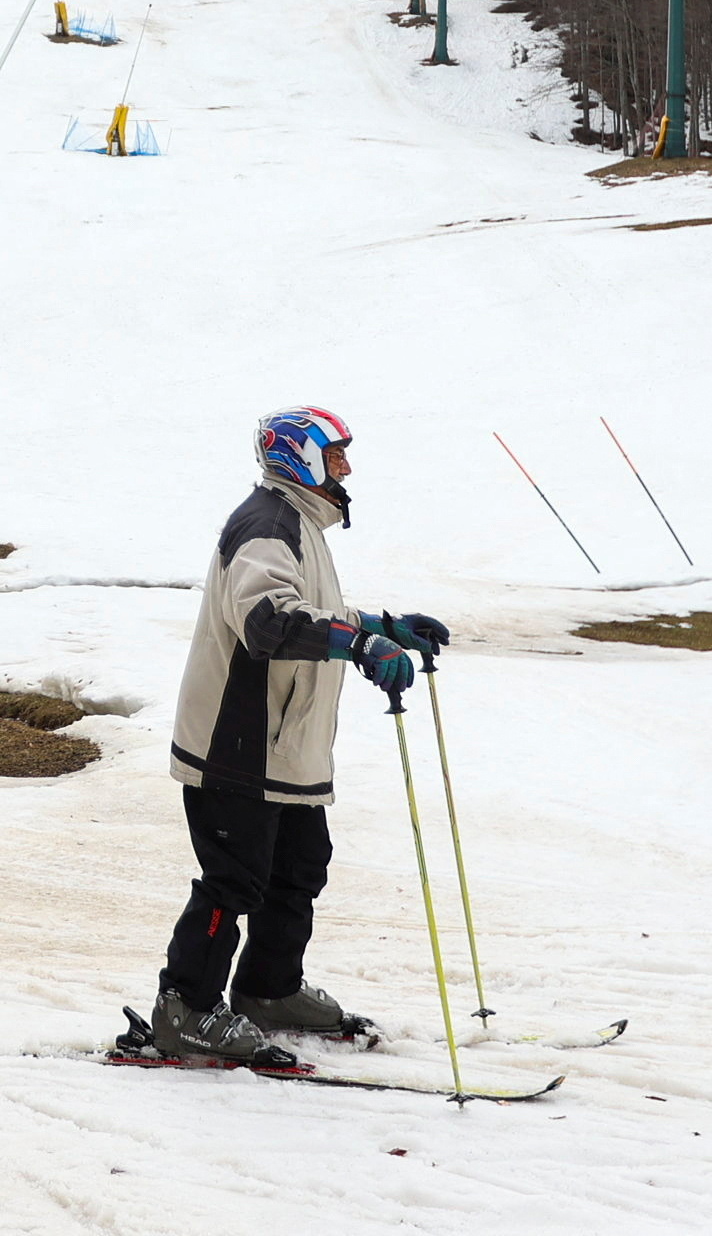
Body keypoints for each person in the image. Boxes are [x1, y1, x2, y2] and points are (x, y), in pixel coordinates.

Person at [148, 405, 448, 1062]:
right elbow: (268, 622)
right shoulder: (266, 527)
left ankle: (268, 989)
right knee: (234, 881)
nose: (347, 467)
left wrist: (382, 627)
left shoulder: (299, 526)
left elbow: (312, 609)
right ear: (300, 459)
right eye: (336, 455)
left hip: (282, 748)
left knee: (299, 867)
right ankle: (186, 1007)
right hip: (238, 745)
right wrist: (358, 645)